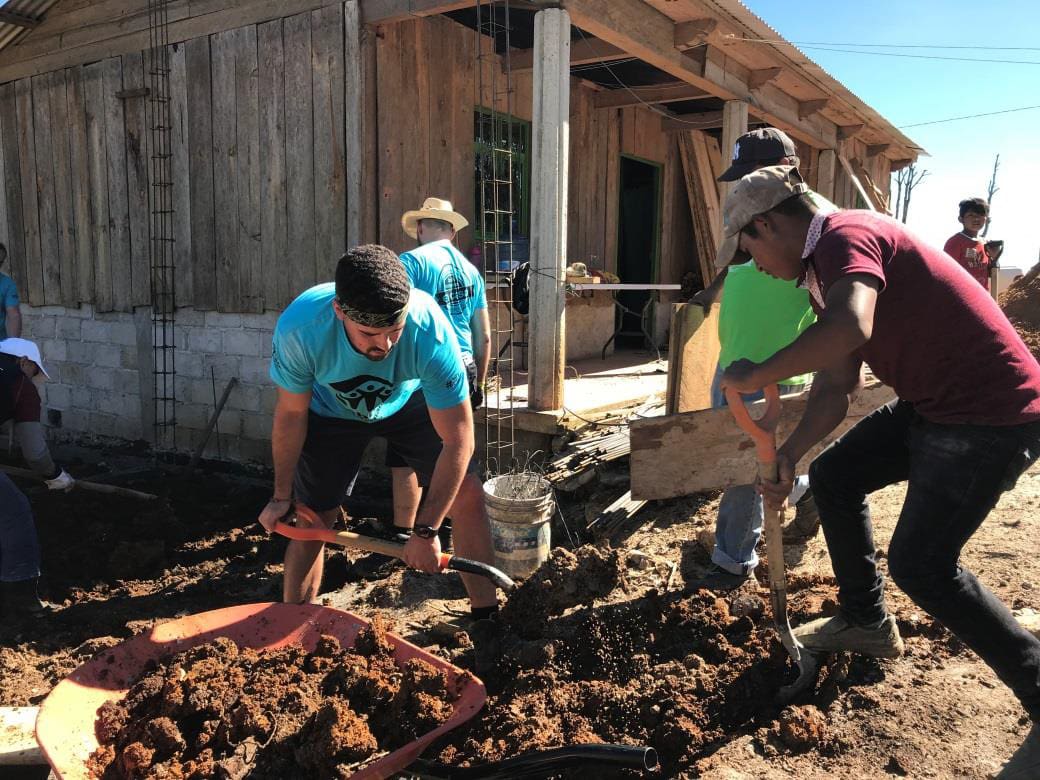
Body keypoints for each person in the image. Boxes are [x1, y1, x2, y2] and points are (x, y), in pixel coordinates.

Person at [718, 165, 1040, 779]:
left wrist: (755, 373)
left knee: (923, 565)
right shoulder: (822, 277)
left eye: (748, 246)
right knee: (836, 477)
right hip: (933, 404)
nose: (750, 262)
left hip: (989, 413)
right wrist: (793, 453)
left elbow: (852, 327)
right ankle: (866, 620)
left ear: (768, 223)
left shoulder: (845, 234)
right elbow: (837, 387)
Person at [255, 245, 500, 668]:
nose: (384, 345)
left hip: (410, 401)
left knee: (470, 495)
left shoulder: (429, 330)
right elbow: (291, 416)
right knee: (312, 516)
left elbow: (459, 440)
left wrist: (425, 532)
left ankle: (488, 618)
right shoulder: (301, 329)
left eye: (394, 330)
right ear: (339, 311)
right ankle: (292, 634)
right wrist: (281, 495)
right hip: (331, 410)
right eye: (369, 335)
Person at [689, 128, 826, 590]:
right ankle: (809, 489)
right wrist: (707, 296)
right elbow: (733, 264)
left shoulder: (816, 224)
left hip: (778, 373)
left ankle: (731, 564)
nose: (744, 188)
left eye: (751, 176)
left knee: (748, 473)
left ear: (785, 172)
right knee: (741, 465)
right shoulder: (752, 216)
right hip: (733, 363)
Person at [380, 198, 490, 552]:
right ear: (453, 231)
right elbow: (483, 335)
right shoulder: (471, 272)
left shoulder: (411, 262)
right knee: (453, 452)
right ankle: (430, 531)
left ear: (423, 228)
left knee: (407, 449)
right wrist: (480, 383)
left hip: (424, 368)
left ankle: (419, 532)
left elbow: (397, 321)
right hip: (464, 365)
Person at [1, 338, 75, 616]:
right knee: (14, 511)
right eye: (35, 371)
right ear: (24, 362)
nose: (33, 378)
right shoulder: (20, 383)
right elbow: (34, 452)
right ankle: (21, 598)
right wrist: (55, 476)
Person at [943, 197, 1003, 289]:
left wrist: (995, 259)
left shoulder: (985, 244)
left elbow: (993, 274)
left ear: (986, 219)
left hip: (982, 297)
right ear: (961, 219)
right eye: (970, 215)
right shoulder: (955, 242)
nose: (976, 218)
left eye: (980, 215)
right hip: (961, 298)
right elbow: (945, 273)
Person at [0, 243, 22, 340]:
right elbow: (14, 315)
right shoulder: (8, 284)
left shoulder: (7, 284)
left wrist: (14, 345)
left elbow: (14, 315)